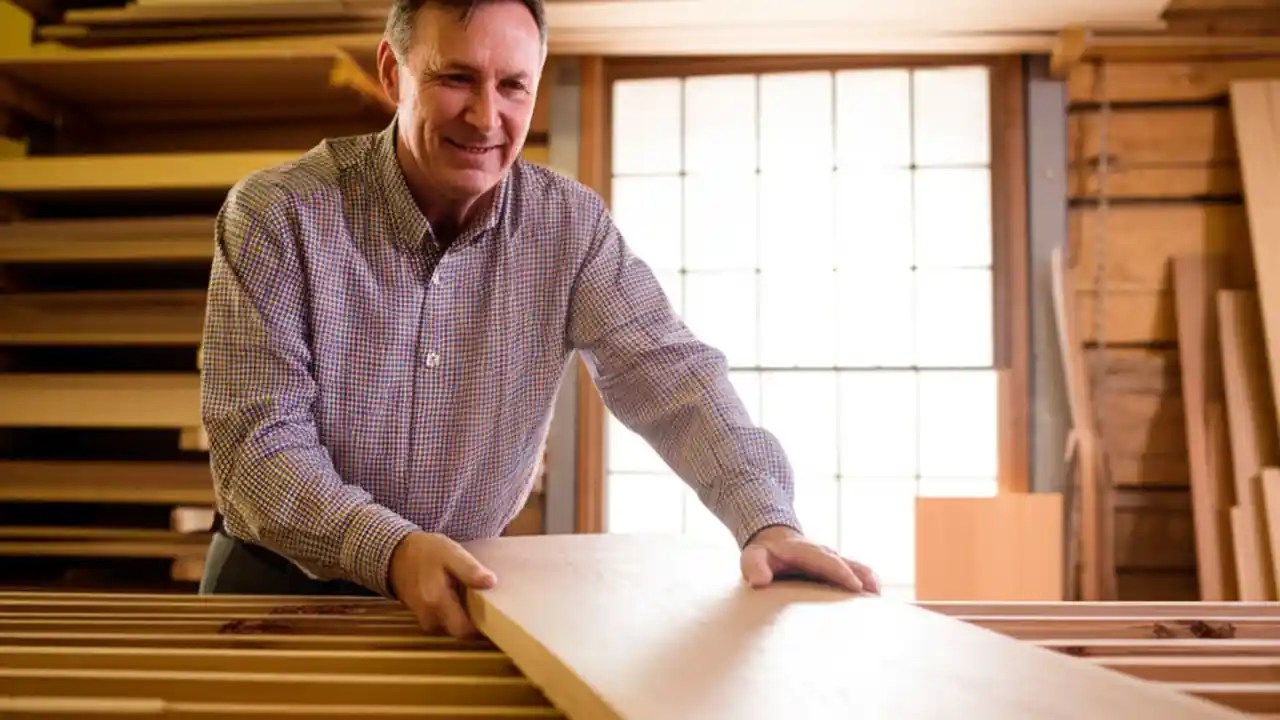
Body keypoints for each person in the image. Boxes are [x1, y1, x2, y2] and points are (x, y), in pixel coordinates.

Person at [197, 0, 880, 637]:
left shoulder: (568, 226)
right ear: (391, 72)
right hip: (276, 586)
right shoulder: (277, 215)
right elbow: (257, 443)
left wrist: (767, 521)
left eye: (513, 86)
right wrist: (389, 547)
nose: (485, 116)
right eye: (456, 78)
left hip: (464, 588)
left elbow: (670, 375)